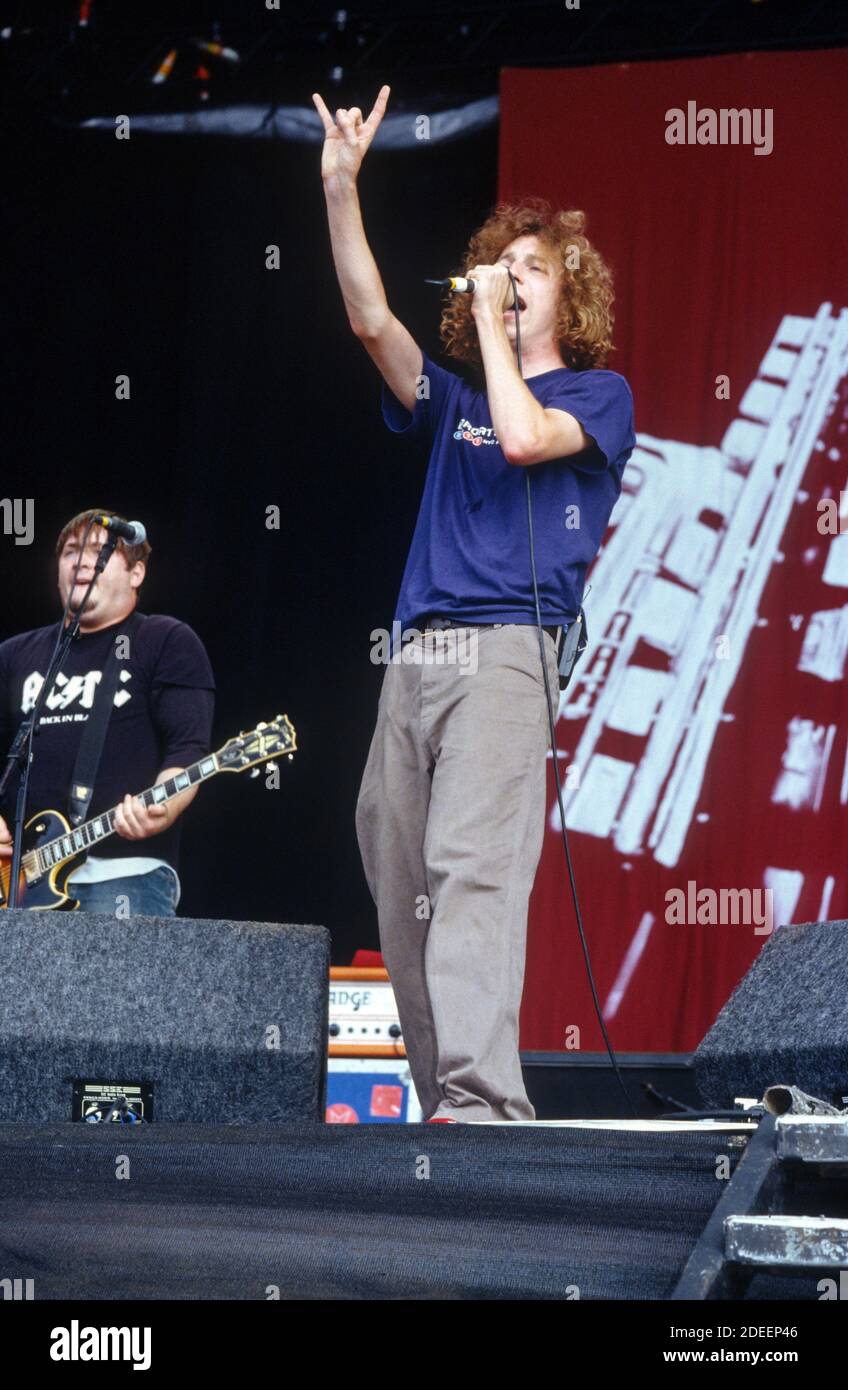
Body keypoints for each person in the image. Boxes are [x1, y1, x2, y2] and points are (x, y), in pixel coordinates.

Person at [313, 85, 635, 1122]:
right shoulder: (451, 400)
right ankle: (438, 1096)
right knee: (397, 868)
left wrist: (495, 329)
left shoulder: (596, 395)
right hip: (415, 656)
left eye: (531, 271)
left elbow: (526, 437)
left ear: (566, 295)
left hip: (506, 650)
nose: (510, 280)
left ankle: (485, 1101)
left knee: (471, 869)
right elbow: (370, 319)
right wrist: (337, 189)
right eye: (500, 267)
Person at [0, 509, 215, 915]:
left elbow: (188, 749)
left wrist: (163, 809)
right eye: (69, 552)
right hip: (20, 883)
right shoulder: (14, 655)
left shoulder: (164, 640)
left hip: (122, 874)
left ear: (137, 574)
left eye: (99, 550)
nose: (81, 560)